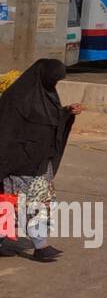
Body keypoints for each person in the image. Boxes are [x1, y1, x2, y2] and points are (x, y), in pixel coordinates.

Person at [0, 59, 83, 262]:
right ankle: (36, 244)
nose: (54, 84)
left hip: (40, 163)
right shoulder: (17, 99)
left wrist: (67, 112)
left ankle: (36, 244)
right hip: (18, 163)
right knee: (15, 204)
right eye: (53, 80)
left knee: (34, 204)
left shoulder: (47, 95)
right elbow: (6, 131)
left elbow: (49, 122)